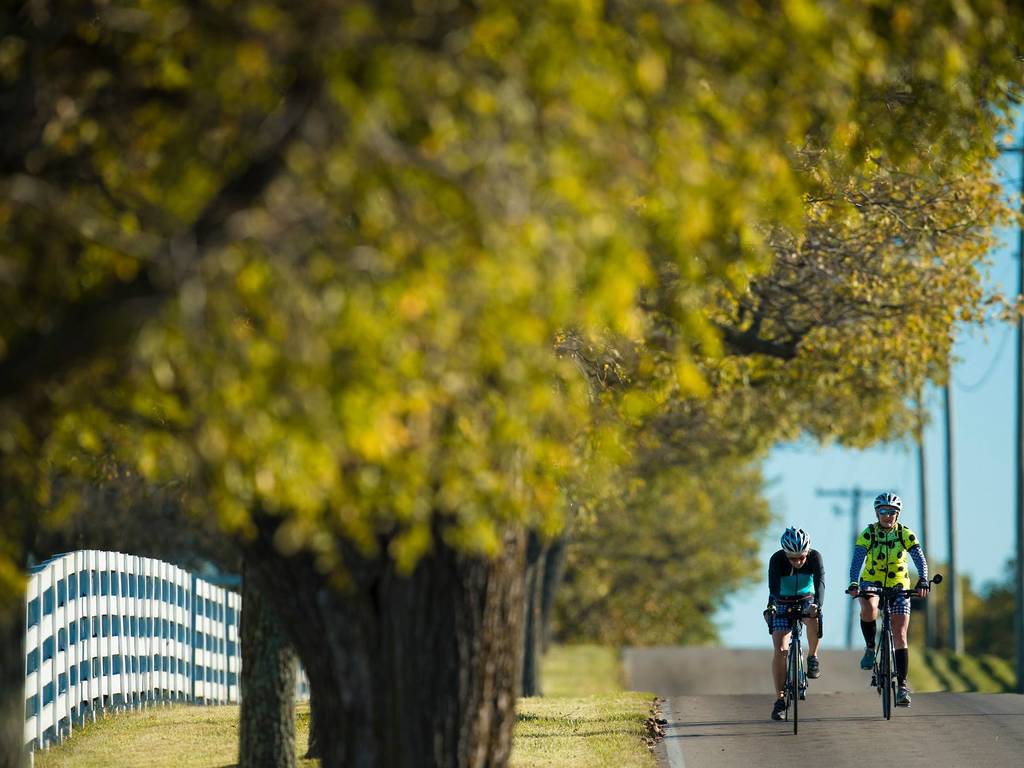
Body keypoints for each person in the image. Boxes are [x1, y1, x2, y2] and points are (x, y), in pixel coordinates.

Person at [845, 492, 929, 707]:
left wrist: (924, 580)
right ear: (877, 513)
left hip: (899, 585)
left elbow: (919, 559)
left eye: (892, 512)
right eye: (884, 511)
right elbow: (857, 560)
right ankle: (871, 648)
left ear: (898, 514)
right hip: (871, 581)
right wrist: (854, 583)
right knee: (869, 609)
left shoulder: (905, 534)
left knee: (900, 633)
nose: (888, 516)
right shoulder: (868, 533)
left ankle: (902, 686)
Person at [764, 526, 824, 721]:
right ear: (785, 553)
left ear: (808, 552)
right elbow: (773, 588)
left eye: (801, 557)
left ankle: (813, 656)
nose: (797, 562)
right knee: (780, 650)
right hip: (782, 601)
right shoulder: (777, 560)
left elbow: (820, 583)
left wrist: (817, 605)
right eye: (792, 558)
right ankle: (780, 699)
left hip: (806, 599)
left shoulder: (815, 558)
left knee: (814, 617)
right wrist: (772, 607)